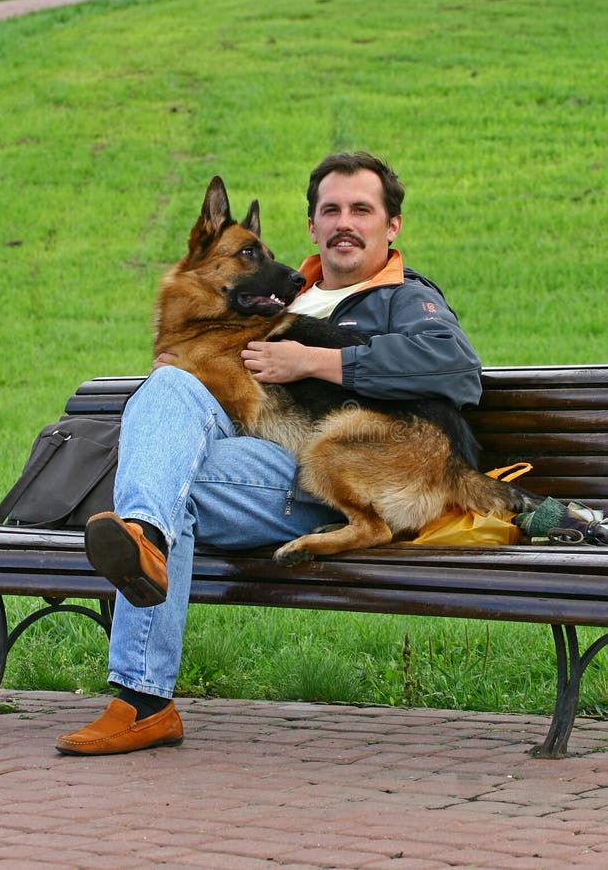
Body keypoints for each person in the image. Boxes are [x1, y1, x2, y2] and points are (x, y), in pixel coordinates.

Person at [55, 152, 482, 755]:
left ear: (392, 228)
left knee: (165, 470)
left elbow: (457, 367)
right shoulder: (283, 295)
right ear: (312, 225)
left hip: (335, 474)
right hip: (262, 461)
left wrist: (317, 360)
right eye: (331, 209)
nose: (345, 222)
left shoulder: (402, 297)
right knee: (170, 438)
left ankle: (141, 692)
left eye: (363, 209)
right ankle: (146, 579)